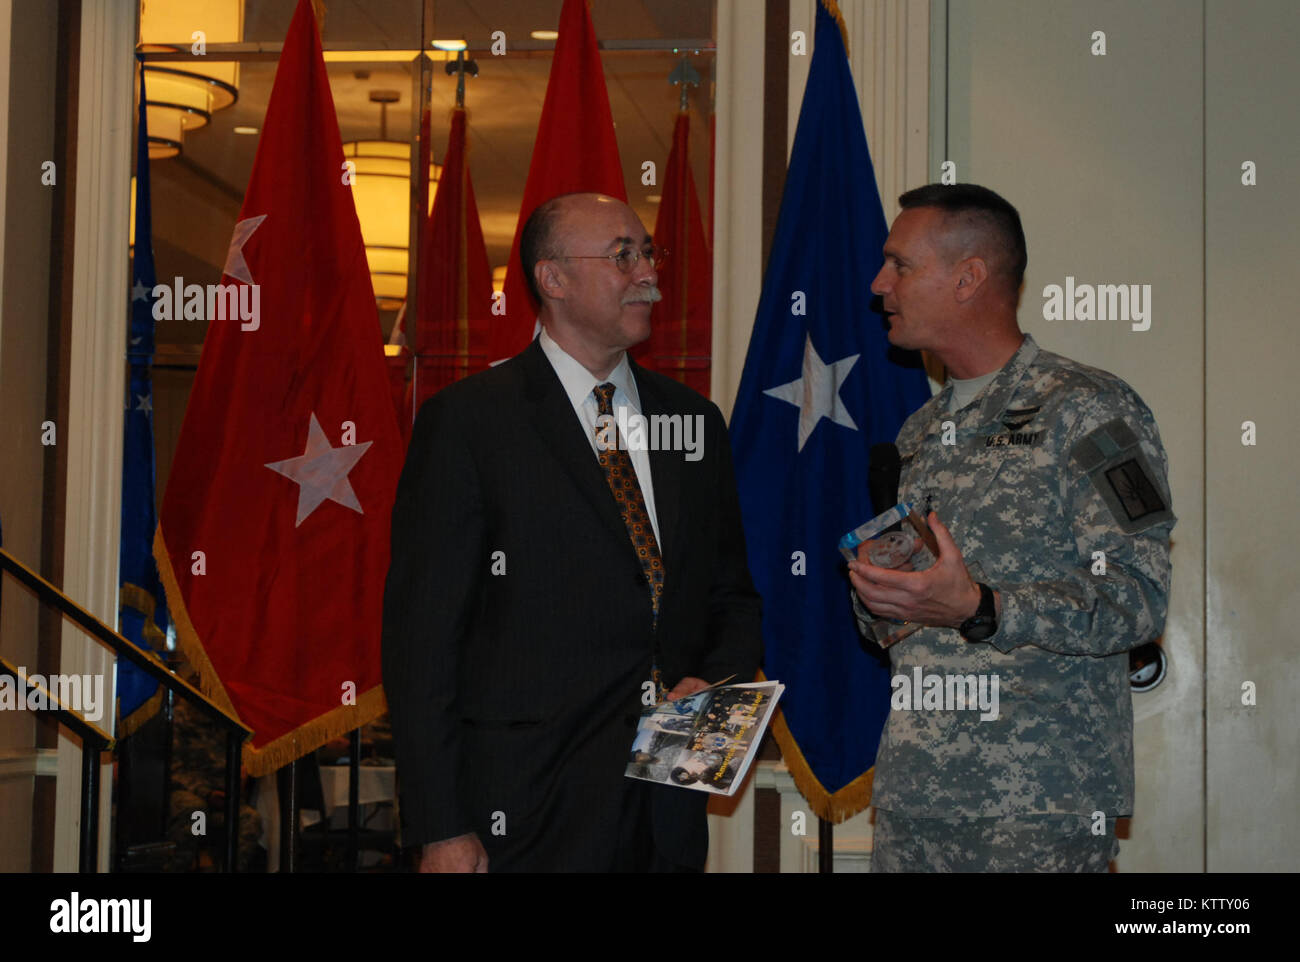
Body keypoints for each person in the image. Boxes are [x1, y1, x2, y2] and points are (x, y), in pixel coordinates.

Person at [381, 192, 762, 873]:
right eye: (623, 255)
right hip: (523, 817)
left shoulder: (694, 421)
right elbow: (422, 642)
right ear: (552, 279)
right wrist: (440, 827)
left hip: (666, 811)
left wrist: (710, 690)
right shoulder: (470, 424)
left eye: (648, 252)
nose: (648, 272)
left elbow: (732, 597)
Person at [848, 183, 1175, 872]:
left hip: (1035, 806)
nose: (879, 285)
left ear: (969, 277)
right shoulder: (922, 431)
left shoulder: (1088, 410)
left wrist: (983, 607)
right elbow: (904, 625)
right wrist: (881, 596)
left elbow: (1137, 599)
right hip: (915, 793)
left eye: (899, 265)